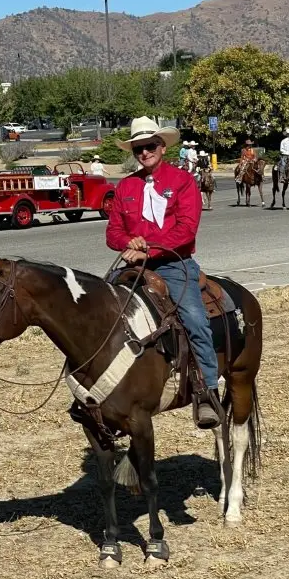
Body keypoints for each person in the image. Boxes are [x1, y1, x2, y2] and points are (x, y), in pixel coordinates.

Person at [106, 116, 221, 428]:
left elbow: (186, 230)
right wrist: (127, 241)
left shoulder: (182, 181)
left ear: (162, 147)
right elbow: (112, 232)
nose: (145, 153)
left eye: (150, 146)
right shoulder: (126, 186)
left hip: (174, 264)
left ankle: (207, 391)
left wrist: (148, 249)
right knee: (100, 312)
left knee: (195, 320)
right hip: (132, 266)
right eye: (139, 148)